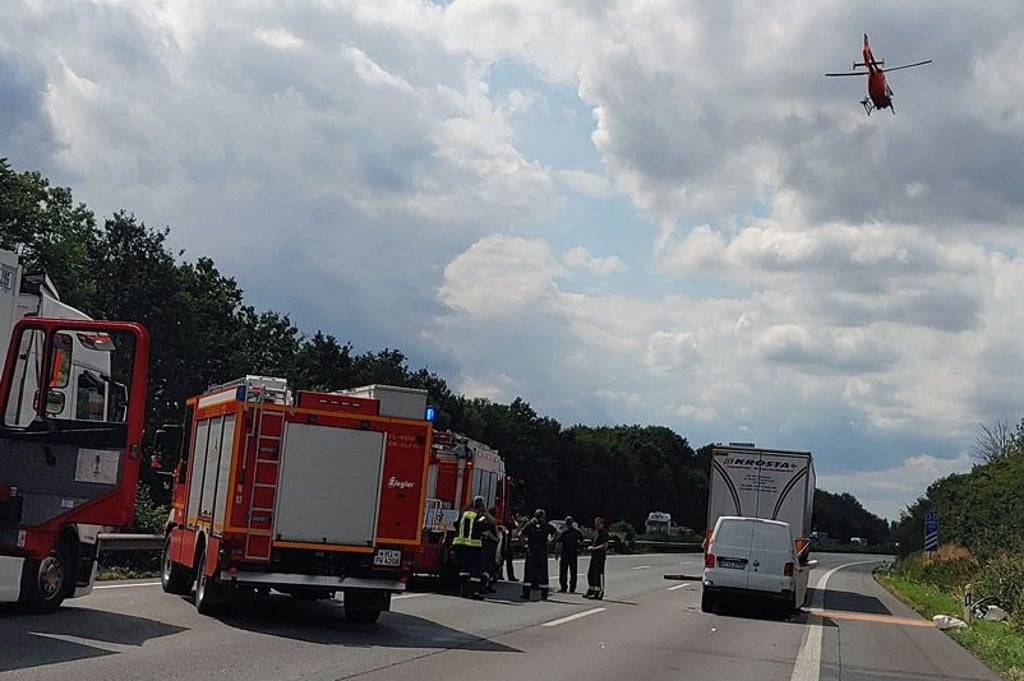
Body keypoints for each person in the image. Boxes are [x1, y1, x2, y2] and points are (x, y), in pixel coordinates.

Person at [452, 496, 491, 600]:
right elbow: (484, 525)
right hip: (474, 545)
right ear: (481, 505)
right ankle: (473, 592)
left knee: (464, 569)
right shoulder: (480, 515)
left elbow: (455, 523)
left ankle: (463, 591)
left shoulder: (463, 513)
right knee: (475, 570)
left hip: (461, 545)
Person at [521, 508, 558, 600]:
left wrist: (524, 545)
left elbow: (521, 534)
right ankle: (544, 594)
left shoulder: (530, 524)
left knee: (529, 572)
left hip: (531, 551)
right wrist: (552, 541)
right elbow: (558, 532)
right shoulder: (545, 525)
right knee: (543, 572)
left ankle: (526, 593)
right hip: (542, 551)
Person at [584, 516, 609, 600]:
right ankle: (591, 589)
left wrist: (594, 548)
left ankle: (599, 592)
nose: (596, 525)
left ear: (602, 524)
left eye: (598, 524)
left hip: (600, 556)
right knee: (591, 573)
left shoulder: (604, 533)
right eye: (595, 524)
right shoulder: (596, 532)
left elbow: (605, 545)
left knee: (598, 574)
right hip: (594, 556)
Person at [556, 516, 583, 593]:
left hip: (565, 554)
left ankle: (563, 587)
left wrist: (557, 553)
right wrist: (578, 548)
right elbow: (581, 541)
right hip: (573, 554)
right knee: (573, 571)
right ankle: (572, 588)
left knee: (563, 571)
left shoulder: (564, 532)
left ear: (566, 524)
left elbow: (559, 543)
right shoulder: (577, 532)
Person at [481, 507, 501, 593]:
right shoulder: (491, 521)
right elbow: (489, 533)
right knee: (489, 567)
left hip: (485, 546)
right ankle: (487, 585)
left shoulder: (484, 519)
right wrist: (496, 539)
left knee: (485, 567)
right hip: (490, 547)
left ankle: (484, 585)